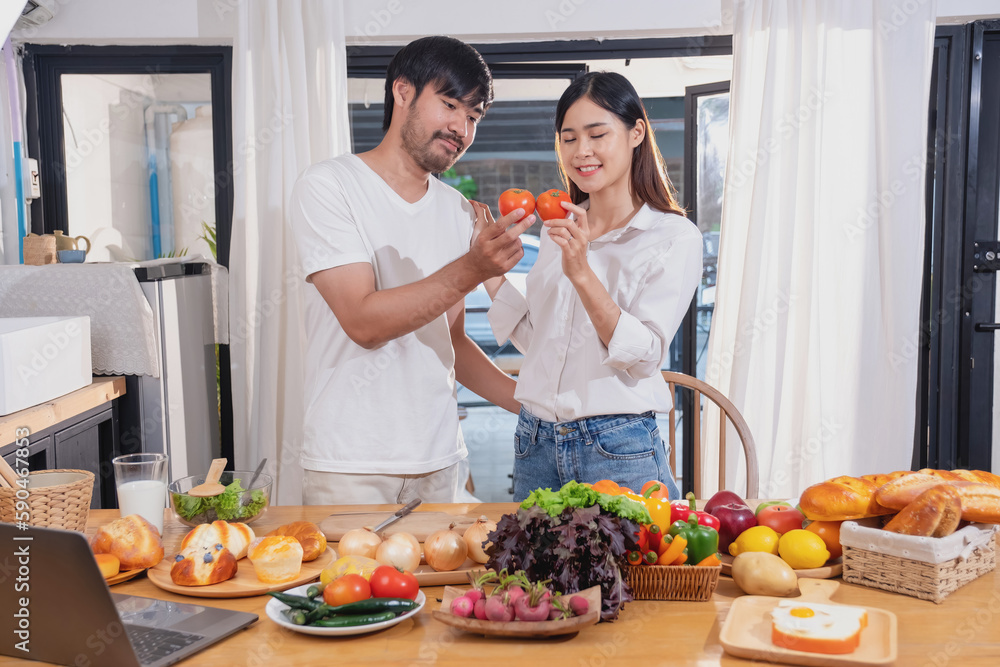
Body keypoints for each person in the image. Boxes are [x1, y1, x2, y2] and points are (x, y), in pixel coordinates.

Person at [289, 36, 534, 505]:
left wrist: (538, 407)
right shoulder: (329, 186)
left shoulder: (458, 210)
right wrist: (473, 267)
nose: (461, 127)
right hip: (351, 466)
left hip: (439, 461)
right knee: (345, 583)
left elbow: (453, 342)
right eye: (449, 105)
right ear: (402, 92)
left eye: (473, 116)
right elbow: (362, 323)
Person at [485, 72, 703, 502]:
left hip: (616, 446)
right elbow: (541, 341)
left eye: (597, 134)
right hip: (535, 441)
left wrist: (582, 272)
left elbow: (642, 357)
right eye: (568, 138)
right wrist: (487, 269)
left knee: (632, 573)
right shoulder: (556, 228)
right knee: (536, 571)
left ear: (636, 131)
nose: (581, 152)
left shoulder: (672, 237)